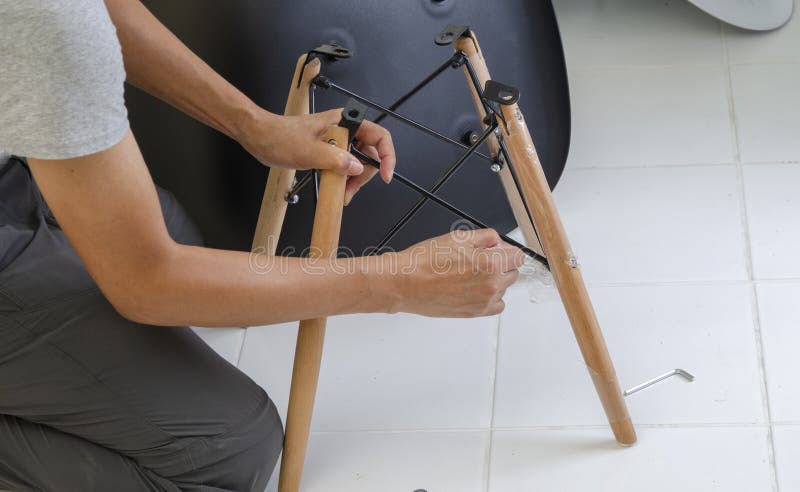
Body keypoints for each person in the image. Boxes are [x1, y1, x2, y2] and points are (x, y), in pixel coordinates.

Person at [0, 1, 524, 490]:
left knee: (175, 238)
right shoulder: (41, 20)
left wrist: (257, 127)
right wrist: (393, 283)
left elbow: (100, 10)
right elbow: (146, 281)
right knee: (227, 447)